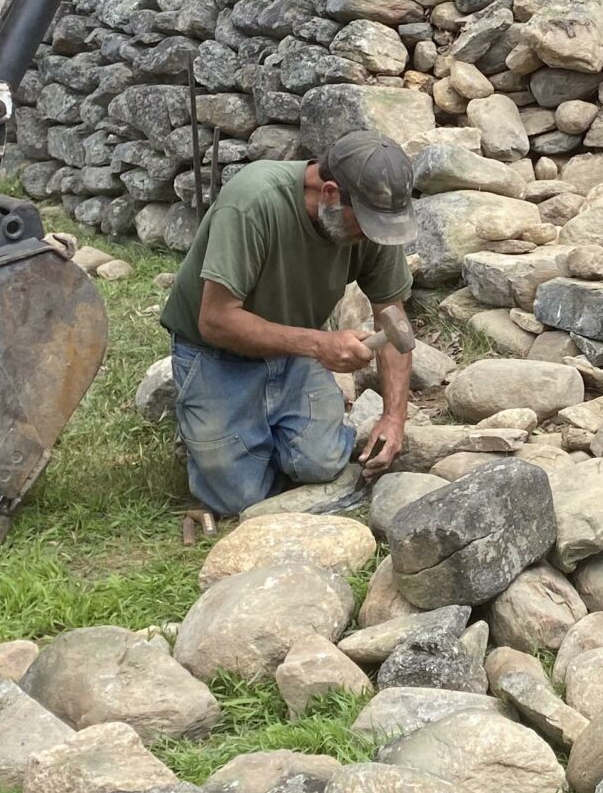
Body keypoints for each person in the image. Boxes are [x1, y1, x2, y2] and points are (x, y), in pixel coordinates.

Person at [159, 130, 418, 516]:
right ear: (330, 193)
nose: (370, 235)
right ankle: (211, 433)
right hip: (215, 352)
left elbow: (392, 316)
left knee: (324, 463)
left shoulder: (370, 222)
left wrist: (394, 417)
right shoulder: (253, 201)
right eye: (363, 223)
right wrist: (319, 345)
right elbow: (215, 321)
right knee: (236, 499)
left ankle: (251, 435)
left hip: (292, 355)